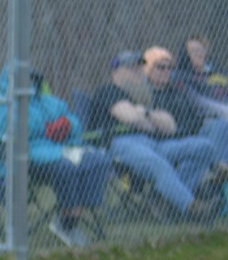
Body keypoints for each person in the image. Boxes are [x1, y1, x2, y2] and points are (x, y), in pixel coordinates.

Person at [81, 50, 226, 223]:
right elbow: (130, 116)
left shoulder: (143, 96)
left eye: (138, 66)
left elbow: (170, 126)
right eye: (130, 67)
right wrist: (147, 118)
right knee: (158, 163)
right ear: (116, 71)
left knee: (203, 147)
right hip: (120, 144)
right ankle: (191, 208)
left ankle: (167, 203)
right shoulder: (108, 91)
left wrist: (146, 113)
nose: (136, 70)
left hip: (153, 144)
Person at [0, 68, 112, 248]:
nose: (29, 83)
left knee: (98, 161)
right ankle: (69, 225)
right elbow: (4, 132)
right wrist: (45, 129)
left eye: (32, 79)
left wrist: (67, 126)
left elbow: (73, 120)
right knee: (64, 168)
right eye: (23, 79)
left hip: (58, 149)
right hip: (24, 158)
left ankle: (68, 217)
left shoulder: (47, 102)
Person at [171, 35, 228, 119]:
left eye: (201, 49)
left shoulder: (218, 71)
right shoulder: (182, 76)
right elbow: (197, 101)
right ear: (185, 54)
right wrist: (225, 111)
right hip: (209, 117)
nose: (199, 53)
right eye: (194, 51)